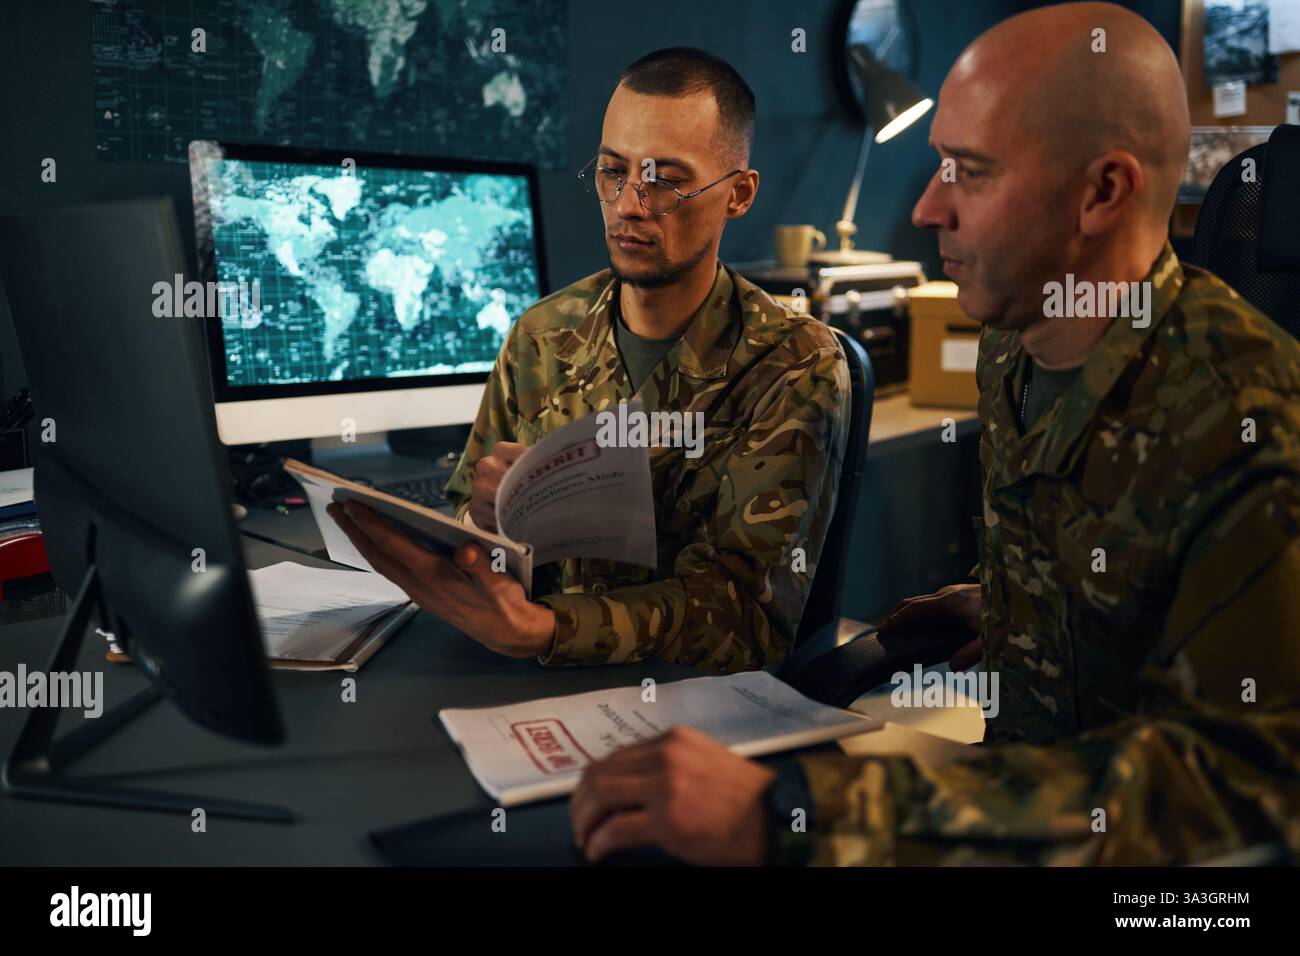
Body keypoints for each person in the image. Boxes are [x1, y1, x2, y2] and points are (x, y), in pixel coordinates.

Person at [567, 2, 1300, 866]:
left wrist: (811, 812)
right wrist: (1014, 606)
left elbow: (1239, 788)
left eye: (970, 172)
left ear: (1103, 193)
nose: (924, 208)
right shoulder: (1013, 343)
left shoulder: (1249, 423)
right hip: (1002, 804)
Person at [329, 48, 849, 673]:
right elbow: (462, 515)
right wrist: (484, 520)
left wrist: (544, 629)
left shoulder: (793, 362)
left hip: (691, 715)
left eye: (666, 180)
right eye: (612, 172)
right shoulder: (542, 333)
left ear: (738, 194)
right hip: (520, 681)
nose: (630, 204)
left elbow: (748, 618)